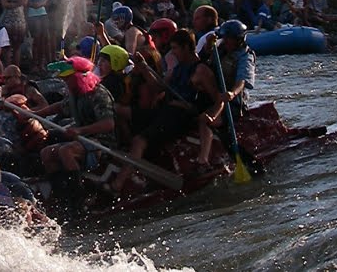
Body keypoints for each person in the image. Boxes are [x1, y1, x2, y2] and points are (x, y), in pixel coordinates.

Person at [110, 28, 224, 194]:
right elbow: (159, 87)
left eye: (175, 48)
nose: (173, 52)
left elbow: (216, 98)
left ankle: (117, 185)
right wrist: (143, 67)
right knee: (125, 116)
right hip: (166, 112)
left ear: (186, 47)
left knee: (139, 141)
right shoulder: (177, 69)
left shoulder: (201, 71)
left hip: (181, 116)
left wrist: (213, 116)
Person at [36, 56, 115, 183]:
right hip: (83, 140)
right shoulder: (75, 92)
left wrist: (80, 130)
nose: (65, 82)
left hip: (102, 143)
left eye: (68, 78)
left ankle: (76, 194)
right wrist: (35, 113)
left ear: (79, 77)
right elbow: (60, 107)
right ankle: (59, 190)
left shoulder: (98, 94)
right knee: (46, 153)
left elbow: (109, 124)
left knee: (66, 151)